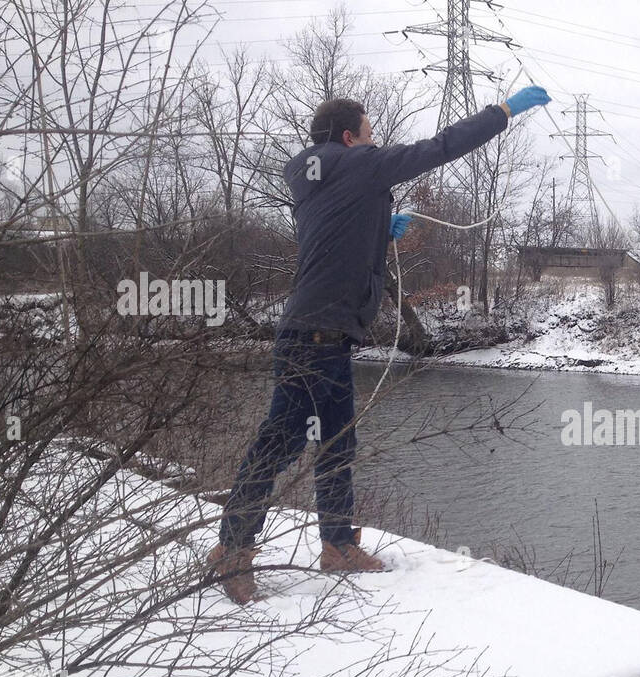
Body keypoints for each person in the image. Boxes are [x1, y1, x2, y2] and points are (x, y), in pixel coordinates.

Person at [208, 86, 551, 604]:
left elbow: (334, 240)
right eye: (369, 133)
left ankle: (338, 545)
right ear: (350, 138)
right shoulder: (358, 164)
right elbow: (440, 146)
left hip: (324, 334)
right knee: (278, 445)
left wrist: (378, 232)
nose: (375, 140)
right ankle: (231, 551)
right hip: (312, 337)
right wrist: (503, 112)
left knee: (338, 443)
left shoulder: (315, 178)